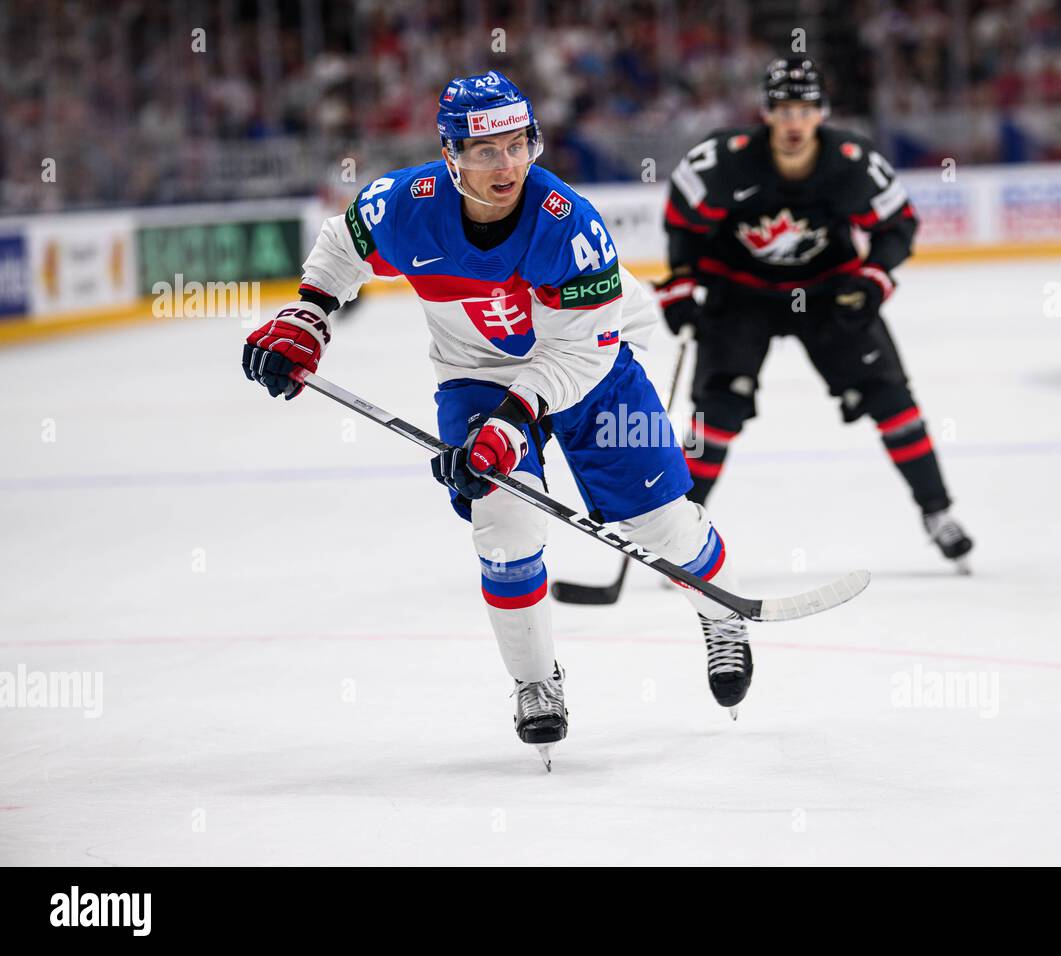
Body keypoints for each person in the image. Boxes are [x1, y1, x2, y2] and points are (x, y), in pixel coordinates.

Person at [241, 72, 753, 765]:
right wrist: (310, 316)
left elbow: (578, 351)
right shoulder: (407, 204)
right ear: (451, 156)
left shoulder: (568, 225)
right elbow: (343, 242)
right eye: (485, 152)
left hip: (591, 364)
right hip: (476, 373)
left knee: (662, 523)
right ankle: (537, 682)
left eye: (518, 145)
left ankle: (722, 618)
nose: (506, 165)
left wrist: (511, 427)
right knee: (504, 525)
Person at [657, 58, 974, 568]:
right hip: (740, 295)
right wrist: (679, 284)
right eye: (783, 109)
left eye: (804, 110)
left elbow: (898, 226)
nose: (793, 122)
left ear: (822, 113)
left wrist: (874, 279)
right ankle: (680, 532)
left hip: (830, 294)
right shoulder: (722, 160)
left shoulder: (851, 162)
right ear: (766, 113)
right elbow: (683, 223)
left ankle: (938, 514)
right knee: (718, 410)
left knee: (890, 399)